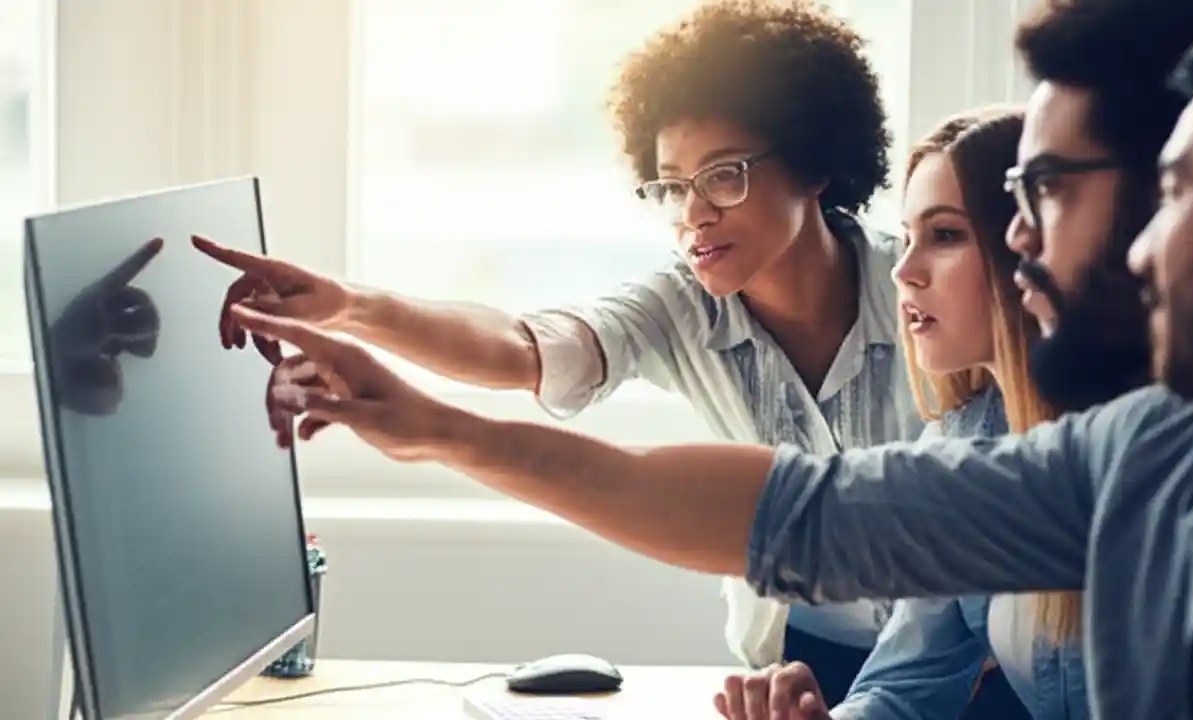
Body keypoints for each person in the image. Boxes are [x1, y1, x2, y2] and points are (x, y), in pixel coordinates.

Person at [209, 6, 1193, 720]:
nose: (1008, 245)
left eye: (1042, 193)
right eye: (670, 187)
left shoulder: (999, 382)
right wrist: (422, 403)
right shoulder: (1133, 453)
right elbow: (802, 515)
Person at [195, 0, 922, 701]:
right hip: (795, 671)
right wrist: (351, 307)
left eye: (724, 176)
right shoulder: (681, 305)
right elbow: (523, 348)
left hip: (962, 661)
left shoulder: (922, 286)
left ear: (815, 162)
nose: (694, 214)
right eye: (671, 187)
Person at [718, 109, 1086, 720]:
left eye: (945, 235)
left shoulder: (1141, 443)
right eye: (907, 236)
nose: (903, 269)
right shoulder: (960, 441)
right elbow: (904, 685)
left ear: (1026, 239)